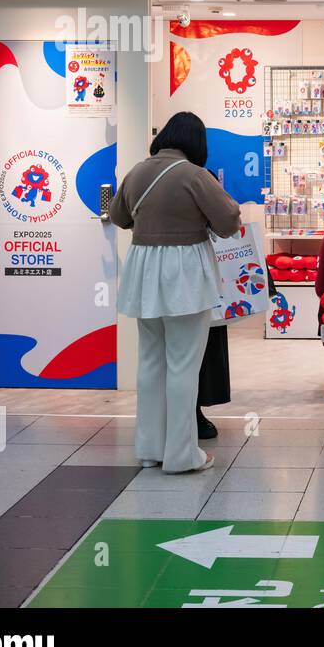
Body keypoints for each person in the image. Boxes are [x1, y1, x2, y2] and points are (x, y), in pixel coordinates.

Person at [110, 112, 241, 473]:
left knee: (150, 361)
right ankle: (182, 454)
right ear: (197, 143)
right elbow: (230, 220)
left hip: (143, 269)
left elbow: (119, 217)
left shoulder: (136, 171)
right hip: (184, 272)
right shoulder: (194, 175)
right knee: (184, 364)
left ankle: (150, 448)